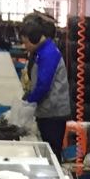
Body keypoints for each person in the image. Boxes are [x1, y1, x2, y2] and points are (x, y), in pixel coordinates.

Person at [20, 16, 70, 159]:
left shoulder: (48, 54)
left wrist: (28, 102)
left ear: (34, 39)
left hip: (53, 114)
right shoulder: (42, 51)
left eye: (25, 42)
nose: (24, 46)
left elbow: (43, 86)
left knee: (52, 155)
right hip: (48, 111)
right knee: (48, 152)